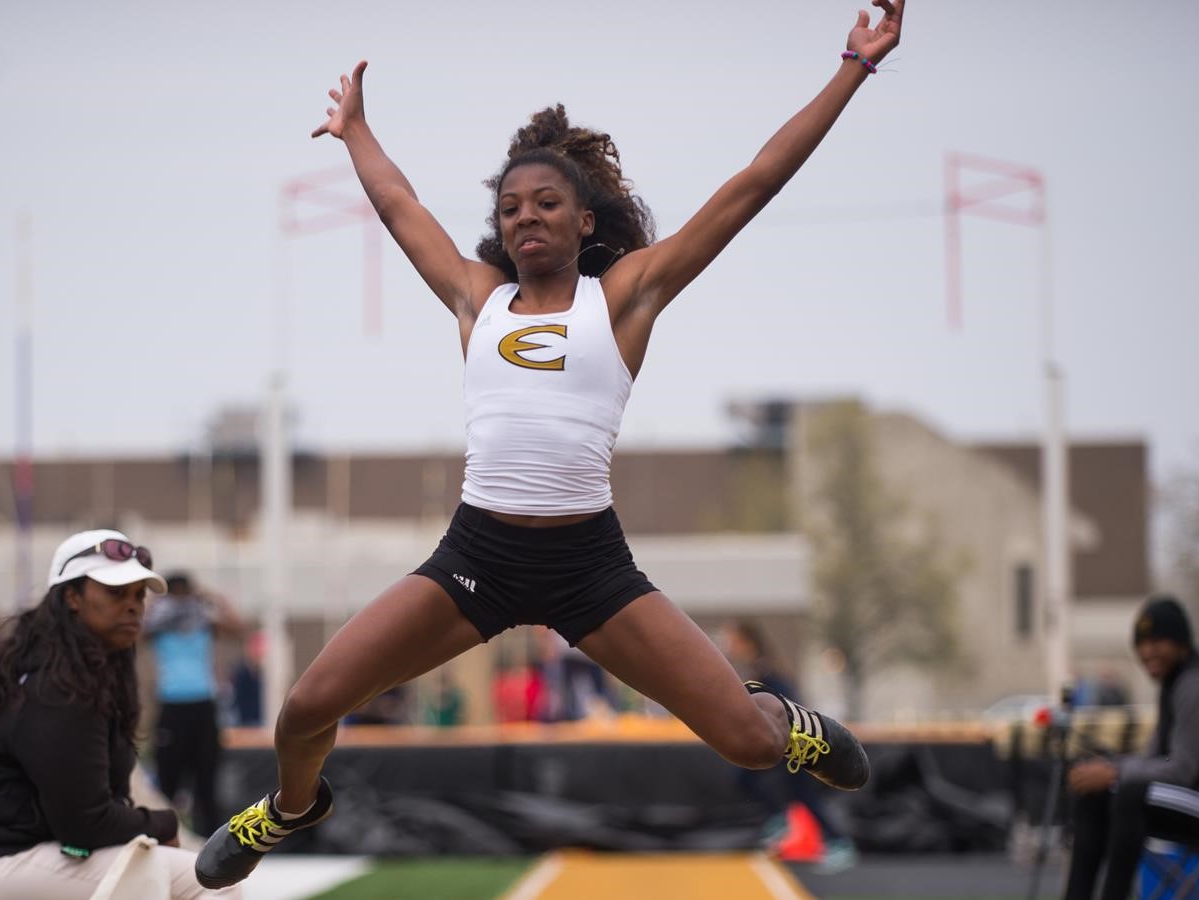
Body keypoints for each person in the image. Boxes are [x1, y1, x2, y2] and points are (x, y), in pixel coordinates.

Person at [195, 5, 902, 888]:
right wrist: (355, 132)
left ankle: (791, 723)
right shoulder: (474, 297)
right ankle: (293, 809)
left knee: (748, 747)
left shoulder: (626, 299)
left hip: (589, 566)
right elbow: (398, 205)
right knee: (303, 708)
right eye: (510, 209)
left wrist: (852, 66)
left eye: (547, 205)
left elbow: (753, 184)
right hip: (476, 555)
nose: (526, 219)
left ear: (583, 223)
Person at [0, 530, 237, 899]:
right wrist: (163, 823)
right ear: (71, 597)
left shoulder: (75, 673)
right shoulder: (57, 686)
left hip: (24, 859)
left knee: (162, 868)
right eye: (115, 592)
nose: (133, 606)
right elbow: (85, 824)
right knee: (208, 882)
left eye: (138, 594)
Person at [1062, 596, 1199, 900]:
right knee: (1095, 792)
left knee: (1129, 790)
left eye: (1157, 641)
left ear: (1181, 643)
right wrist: (1106, 768)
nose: (1147, 651)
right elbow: (1154, 759)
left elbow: (1183, 770)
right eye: (1141, 644)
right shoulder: (1174, 682)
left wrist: (1114, 771)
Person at [721, 621, 858, 873]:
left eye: (733, 640)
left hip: (794, 739)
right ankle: (783, 819)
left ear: (746, 641)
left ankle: (837, 841)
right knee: (754, 780)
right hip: (785, 738)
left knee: (802, 794)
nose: (729, 645)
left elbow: (785, 702)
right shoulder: (757, 668)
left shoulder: (766, 670)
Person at [145, 572, 244, 837]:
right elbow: (135, 627)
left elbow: (238, 627)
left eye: (183, 593)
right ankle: (164, 837)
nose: (179, 600)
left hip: (203, 704)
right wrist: (157, 602)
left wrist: (209, 597)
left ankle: (211, 840)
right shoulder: (158, 623)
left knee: (207, 783)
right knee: (168, 783)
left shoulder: (203, 620)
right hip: (172, 704)